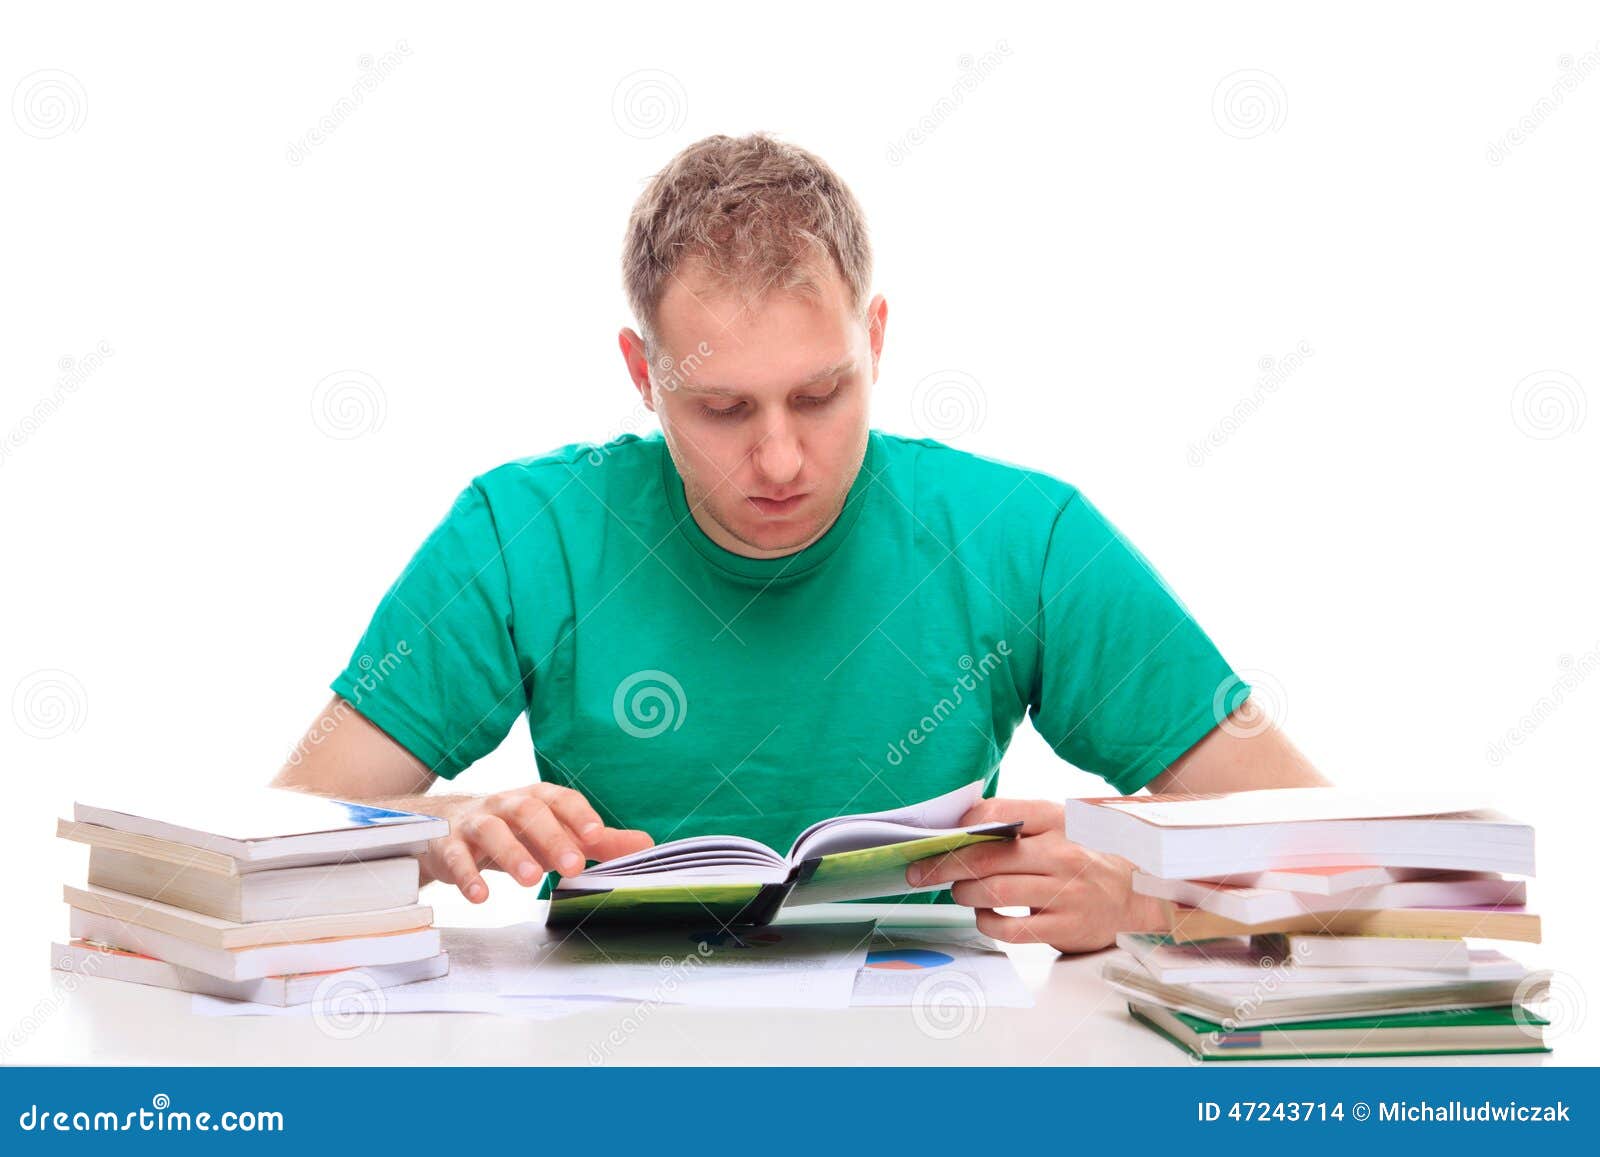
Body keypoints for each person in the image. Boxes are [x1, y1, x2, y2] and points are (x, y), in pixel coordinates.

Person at [272, 132, 1327, 952]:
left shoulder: (1023, 536)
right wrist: (436, 827)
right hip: (605, 1063)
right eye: (722, 409)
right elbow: (267, 840)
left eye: (821, 395)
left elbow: (1333, 843)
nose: (779, 460)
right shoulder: (524, 529)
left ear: (873, 340)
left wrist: (1147, 891)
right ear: (644, 375)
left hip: (929, 1057)